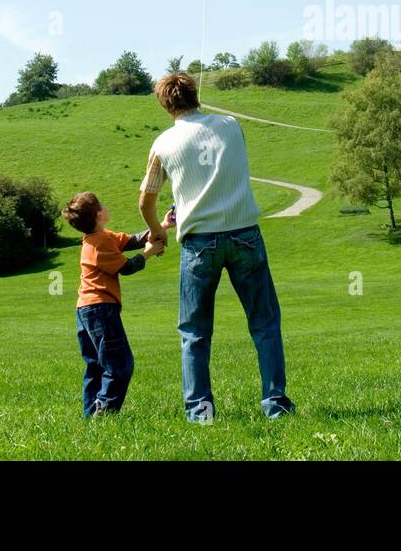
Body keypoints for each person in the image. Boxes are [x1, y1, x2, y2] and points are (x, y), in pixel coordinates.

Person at [138, 72, 294, 422]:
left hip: (199, 244)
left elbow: (146, 202)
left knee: (194, 332)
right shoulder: (232, 125)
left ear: (165, 105)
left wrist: (156, 233)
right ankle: (276, 406)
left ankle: (200, 413)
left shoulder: (163, 144)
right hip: (245, 235)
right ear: (195, 94)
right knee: (265, 323)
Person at [64, 191, 163, 418]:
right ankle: (104, 412)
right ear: (99, 214)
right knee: (119, 365)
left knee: (95, 365)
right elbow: (126, 267)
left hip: (85, 308)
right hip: (100, 309)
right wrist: (148, 254)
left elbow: (131, 240)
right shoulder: (99, 244)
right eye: (103, 204)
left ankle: (91, 414)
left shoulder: (102, 237)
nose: (106, 206)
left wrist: (161, 226)